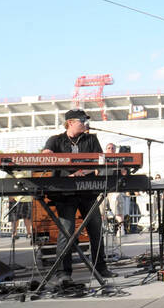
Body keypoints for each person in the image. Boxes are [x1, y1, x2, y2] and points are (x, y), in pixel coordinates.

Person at [40, 109, 111, 279]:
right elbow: (45, 157)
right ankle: (63, 272)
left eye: (86, 120)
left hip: (88, 190)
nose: (85, 123)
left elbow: (100, 162)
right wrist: (47, 155)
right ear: (70, 122)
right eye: (82, 120)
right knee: (67, 231)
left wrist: (83, 172)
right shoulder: (55, 140)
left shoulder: (92, 139)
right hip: (65, 193)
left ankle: (100, 268)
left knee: (95, 229)